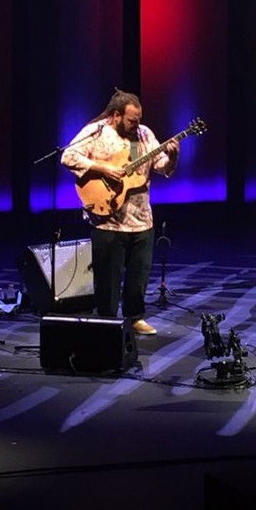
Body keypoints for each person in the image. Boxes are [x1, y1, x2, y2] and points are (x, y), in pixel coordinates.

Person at [60, 89, 180, 337]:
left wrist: (172, 158)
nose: (136, 125)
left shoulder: (142, 135)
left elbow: (160, 168)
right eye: (131, 120)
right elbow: (68, 157)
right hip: (108, 220)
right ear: (116, 115)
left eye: (138, 120)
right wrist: (103, 168)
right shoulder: (96, 132)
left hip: (141, 219)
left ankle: (134, 318)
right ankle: (106, 322)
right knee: (108, 279)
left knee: (139, 275)